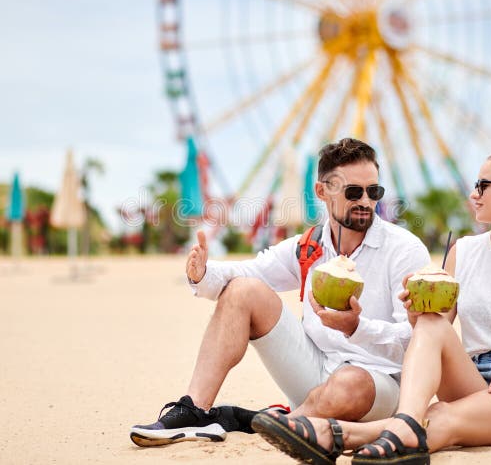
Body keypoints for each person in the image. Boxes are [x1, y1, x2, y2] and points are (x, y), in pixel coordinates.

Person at [253, 150, 491, 464]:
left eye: (483, 186)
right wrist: (416, 312)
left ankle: (338, 434)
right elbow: (438, 328)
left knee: (444, 417)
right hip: (476, 378)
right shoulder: (464, 251)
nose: (474, 194)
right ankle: (407, 421)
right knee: (430, 325)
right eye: (476, 185)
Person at [130, 138, 430, 446]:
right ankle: (195, 409)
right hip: (315, 369)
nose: (366, 201)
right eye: (353, 192)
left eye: (374, 191)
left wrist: (358, 328)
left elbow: (418, 344)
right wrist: (203, 272)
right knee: (243, 290)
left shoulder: (404, 250)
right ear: (321, 192)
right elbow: (249, 272)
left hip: (378, 385)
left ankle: (273, 423)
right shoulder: (309, 246)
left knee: (349, 383)